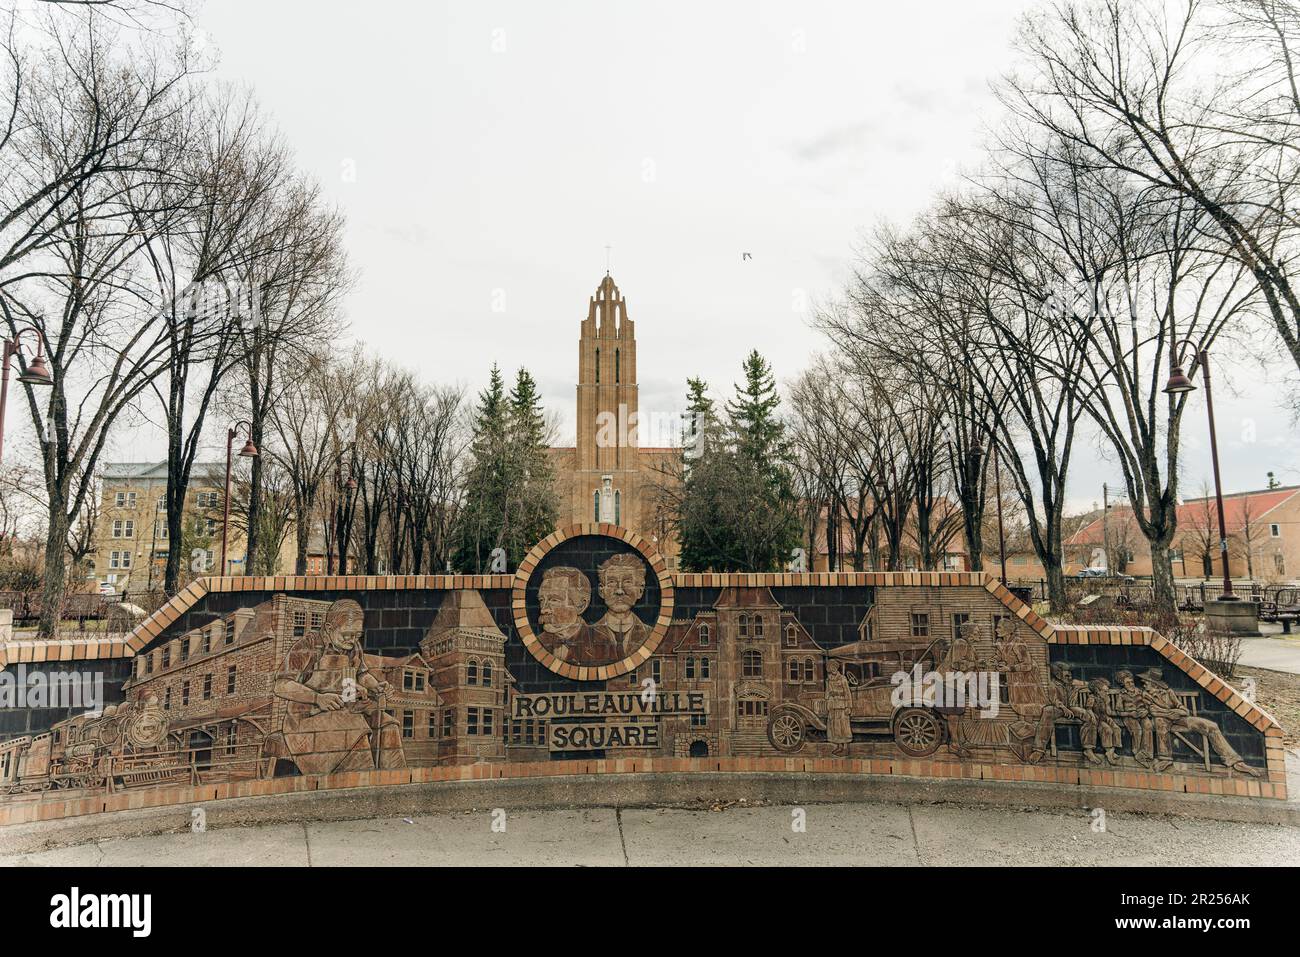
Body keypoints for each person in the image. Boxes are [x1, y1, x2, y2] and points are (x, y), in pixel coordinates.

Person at [268, 599, 404, 775]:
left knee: (388, 725)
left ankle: (391, 782)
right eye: (346, 635)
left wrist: (375, 685)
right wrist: (318, 698)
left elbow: (361, 674)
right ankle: (361, 786)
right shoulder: (308, 646)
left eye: (357, 635)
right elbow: (281, 685)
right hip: (307, 717)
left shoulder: (353, 647)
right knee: (355, 732)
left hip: (344, 709)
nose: (352, 640)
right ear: (329, 628)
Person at [1137, 668, 1260, 777]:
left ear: (1154, 684)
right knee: (1160, 721)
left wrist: (1175, 712)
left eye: (1146, 682)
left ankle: (1234, 761)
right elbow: (1153, 712)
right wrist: (1168, 713)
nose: (1143, 683)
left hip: (1178, 719)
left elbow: (1184, 710)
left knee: (1211, 726)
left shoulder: (1168, 692)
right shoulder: (1146, 695)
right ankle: (1165, 758)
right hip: (1161, 721)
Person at [537, 566, 619, 664]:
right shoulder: (537, 643)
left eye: (554, 600)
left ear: (581, 606)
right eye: (542, 600)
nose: (544, 609)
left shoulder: (602, 644)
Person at [592, 553, 652, 656]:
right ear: (601, 590)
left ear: (640, 590)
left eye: (627, 582)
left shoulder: (650, 634)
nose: (619, 591)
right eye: (612, 582)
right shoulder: (588, 635)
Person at [1112, 670, 1153, 767]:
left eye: (1132, 682)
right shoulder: (1122, 695)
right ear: (1123, 684)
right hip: (1129, 717)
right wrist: (1130, 713)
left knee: (1148, 725)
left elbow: (1150, 703)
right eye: (1127, 683)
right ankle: (1137, 752)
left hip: (1141, 715)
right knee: (1137, 729)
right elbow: (1119, 711)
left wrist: (1146, 711)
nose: (1131, 684)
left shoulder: (1140, 692)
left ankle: (1146, 753)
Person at [825, 659, 853, 756]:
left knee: (843, 727)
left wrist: (848, 706)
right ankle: (839, 746)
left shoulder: (842, 678)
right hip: (833, 706)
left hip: (842, 706)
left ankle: (846, 748)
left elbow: (847, 693)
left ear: (836, 667)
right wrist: (828, 702)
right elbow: (827, 693)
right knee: (835, 727)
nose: (832, 668)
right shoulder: (828, 679)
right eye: (830, 667)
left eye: (834, 667)